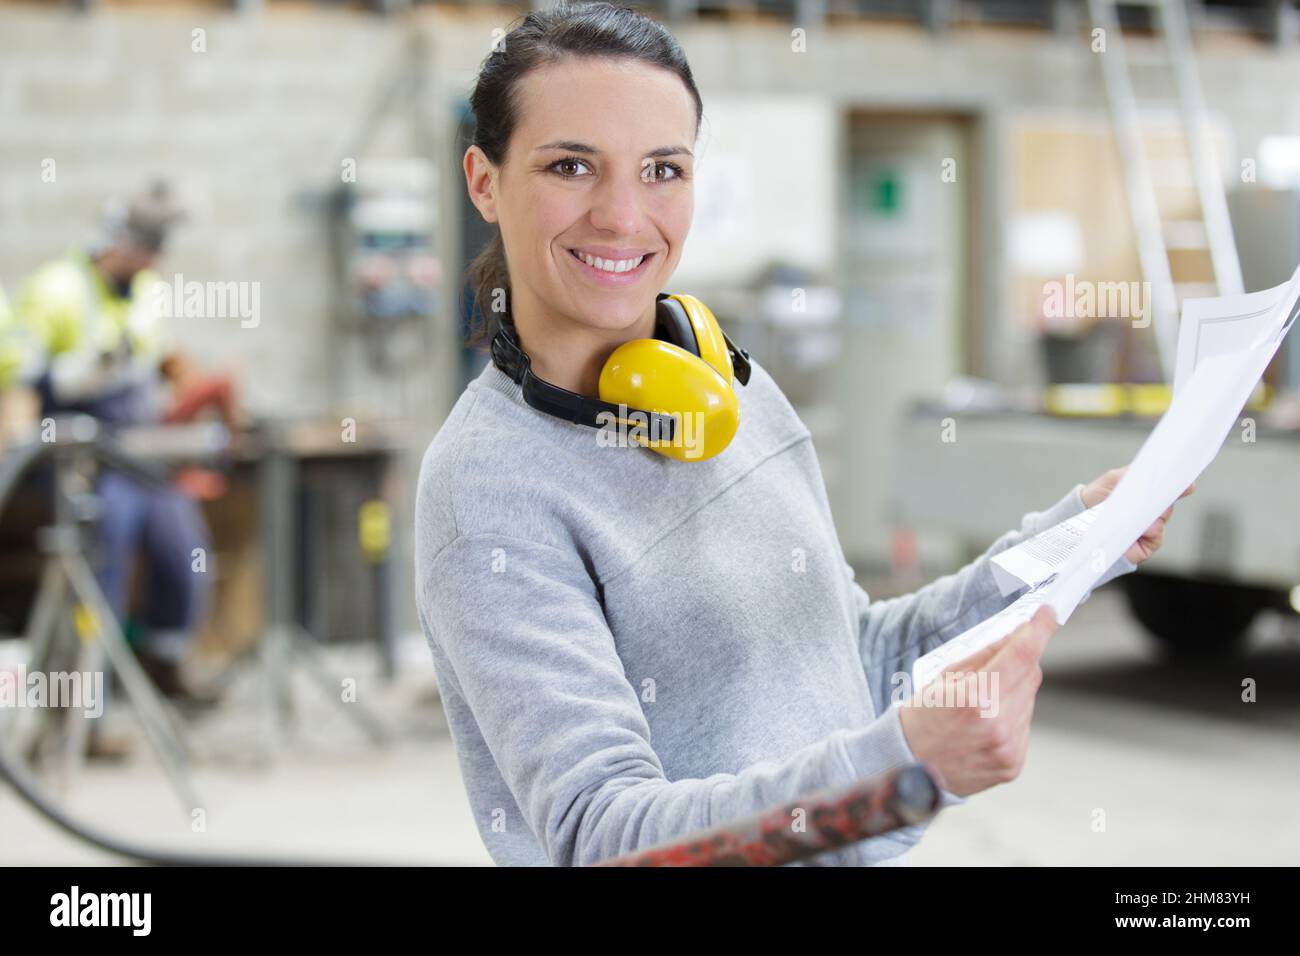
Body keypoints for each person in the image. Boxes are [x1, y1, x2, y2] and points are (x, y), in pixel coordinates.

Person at [413, 2, 1189, 867]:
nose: (624, 217)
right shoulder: (487, 491)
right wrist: (894, 777)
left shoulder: (738, 393)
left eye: (663, 169)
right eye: (570, 166)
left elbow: (854, 655)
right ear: (484, 180)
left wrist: (1075, 539)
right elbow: (603, 837)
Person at [11, 181, 219, 706]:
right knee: (103, 559)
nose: (150, 260)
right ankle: (85, 709)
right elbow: (17, 388)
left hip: (139, 453)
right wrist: (62, 385)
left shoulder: (145, 292)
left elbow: (166, 358)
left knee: (186, 552)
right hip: (86, 457)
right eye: (143, 246)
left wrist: (201, 390)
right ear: (114, 240)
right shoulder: (55, 289)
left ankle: (165, 668)